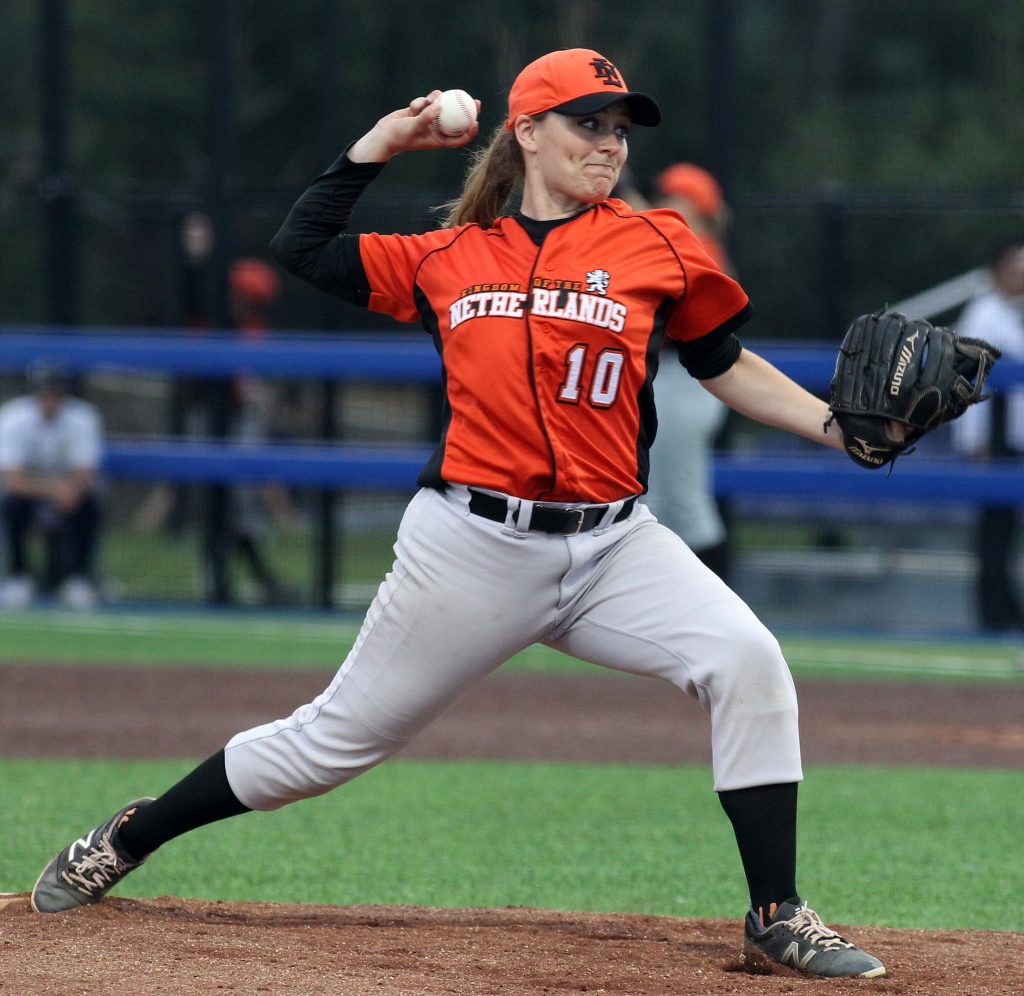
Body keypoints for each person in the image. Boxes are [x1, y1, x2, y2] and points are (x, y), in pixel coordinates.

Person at [29, 49, 885, 979]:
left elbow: (722, 363)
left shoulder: (659, 242)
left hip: (615, 545)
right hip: (472, 546)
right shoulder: (449, 256)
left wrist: (836, 427)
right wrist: (386, 140)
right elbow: (302, 248)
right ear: (526, 131)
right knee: (329, 745)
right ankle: (131, 832)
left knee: (748, 660)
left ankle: (776, 914)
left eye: (618, 128)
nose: (609, 142)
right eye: (587, 122)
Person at [643, 164, 735, 579]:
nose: (664, 202)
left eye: (675, 197)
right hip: (669, 380)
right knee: (658, 502)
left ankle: (723, 597)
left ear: (697, 209)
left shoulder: (702, 247)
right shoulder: (682, 241)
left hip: (687, 381)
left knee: (682, 506)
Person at [950, 241, 1024, 631]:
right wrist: (973, 441)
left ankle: (1005, 608)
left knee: (1005, 531)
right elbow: (968, 381)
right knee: (994, 532)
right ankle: (994, 613)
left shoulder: (1008, 315)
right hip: (992, 442)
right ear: (996, 271)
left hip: (1011, 440)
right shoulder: (983, 315)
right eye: (1015, 267)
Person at [0, 363, 103, 609]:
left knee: (89, 505)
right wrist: (52, 489)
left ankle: (78, 578)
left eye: (57, 391)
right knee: (12, 505)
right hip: (31, 491)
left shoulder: (83, 417)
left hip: (70, 492)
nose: (51, 398)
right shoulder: (14, 418)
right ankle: (18, 576)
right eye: (46, 391)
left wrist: (68, 491)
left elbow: (86, 471)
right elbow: (13, 478)